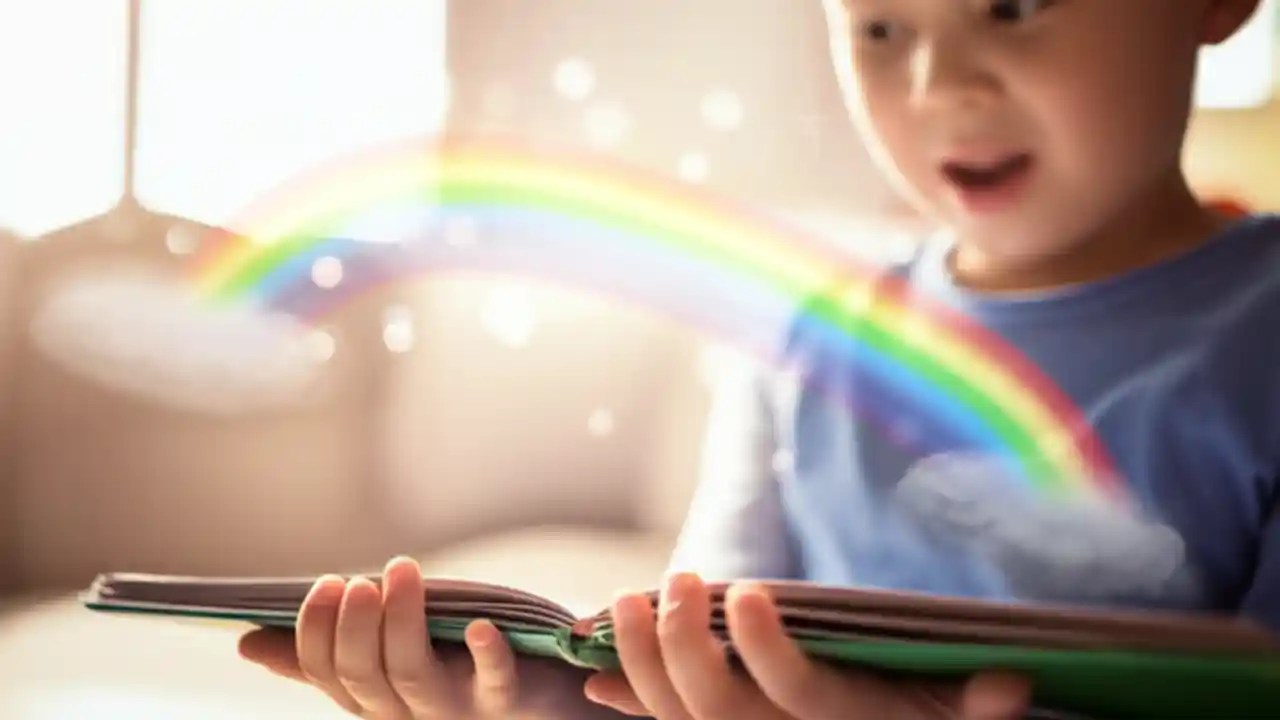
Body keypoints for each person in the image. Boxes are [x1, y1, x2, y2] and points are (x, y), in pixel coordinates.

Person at [238, 0, 1278, 717]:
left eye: (1011, 3)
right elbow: (685, 675)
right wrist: (526, 698)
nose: (936, 83)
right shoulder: (799, 345)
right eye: (876, 26)